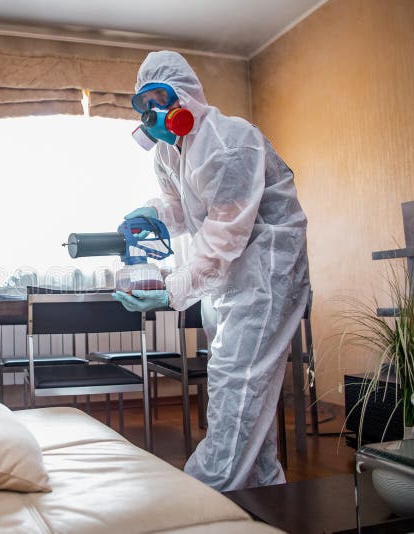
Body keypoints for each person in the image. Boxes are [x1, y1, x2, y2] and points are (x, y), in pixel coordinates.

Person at [112, 50, 310, 491]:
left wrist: (172, 290)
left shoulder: (228, 142)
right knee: (247, 394)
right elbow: (184, 207)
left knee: (236, 385)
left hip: (266, 274)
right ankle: (265, 497)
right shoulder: (167, 153)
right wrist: (156, 214)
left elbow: (225, 234)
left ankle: (202, 497)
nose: (152, 113)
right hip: (226, 279)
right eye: (143, 104)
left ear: (185, 95)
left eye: (160, 99)